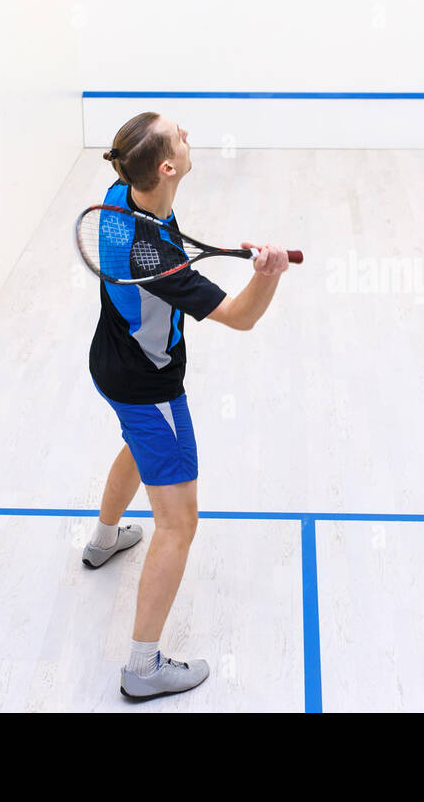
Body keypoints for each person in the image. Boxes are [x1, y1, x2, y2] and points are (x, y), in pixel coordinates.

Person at [81, 111, 290, 700]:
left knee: (135, 445)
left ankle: (103, 542)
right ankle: (142, 669)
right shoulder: (153, 259)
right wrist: (269, 275)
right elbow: (242, 317)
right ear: (167, 166)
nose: (190, 134)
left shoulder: (120, 193)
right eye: (181, 135)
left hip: (109, 364)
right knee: (179, 522)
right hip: (150, 385)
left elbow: (161, 238)